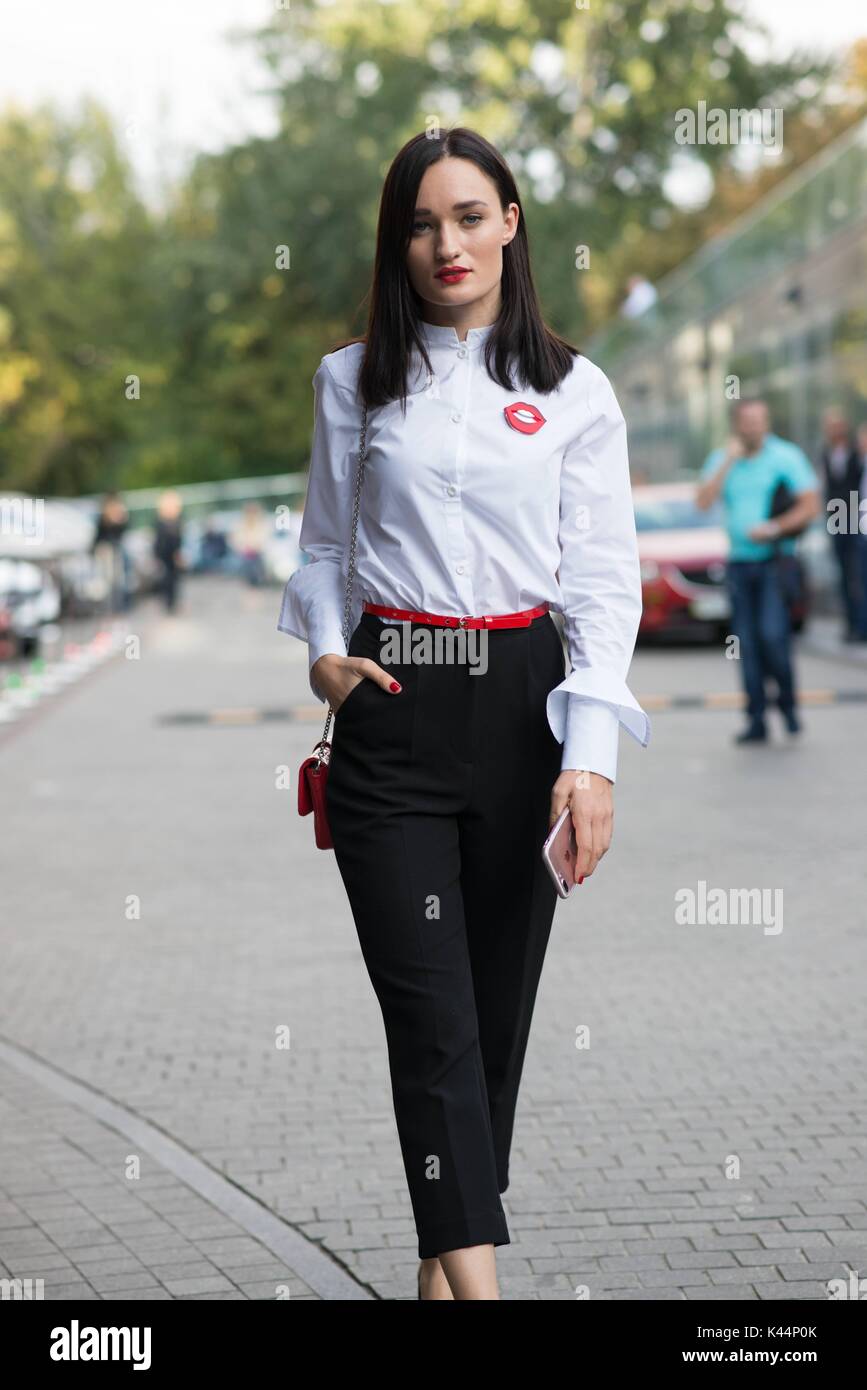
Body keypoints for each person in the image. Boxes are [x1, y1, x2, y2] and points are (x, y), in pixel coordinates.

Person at [277, 126, 650, 1300]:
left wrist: (591, 759)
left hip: (525, 707)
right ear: (399, 243)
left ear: (511, 223)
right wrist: (326, 658)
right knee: (431, 1023)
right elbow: (324, 547)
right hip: (392, 706)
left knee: (490, 1030)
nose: (449, 243)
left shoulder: (574, 389)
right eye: (423, 223)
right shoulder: (351, 380)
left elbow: (604, 587)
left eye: (471, 216)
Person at [696, 399, 820, 744]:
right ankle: (756, 718)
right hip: (739, 565)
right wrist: (728, 461)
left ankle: (788, 705)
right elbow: (702, 502)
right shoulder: (722, 458)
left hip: (775, 563)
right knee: (746, 643)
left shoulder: (786, 457)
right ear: (736, 425)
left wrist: (774, 528)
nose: (752, 427)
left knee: (773, 637)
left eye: (758, 420)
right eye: (746, 421)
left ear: (766, 423)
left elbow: (810, 506)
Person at [817, 407, 862, 641]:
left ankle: (861, 624)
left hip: (858, 521)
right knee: (844, 575)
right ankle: (852, 625)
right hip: (837, 521)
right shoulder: (825, 455)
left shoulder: (857, 452)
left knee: (859, 574)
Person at [91, 491, 130, 613]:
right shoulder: (103, 519)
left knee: (117, 581)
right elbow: (99, 538)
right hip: (105, 553)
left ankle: (118, 608)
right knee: (106, 582)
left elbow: (121, 535)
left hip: (115, 552)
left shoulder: (119, 518)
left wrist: (121, 520)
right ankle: (107, 610)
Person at [152, 491, 185, 612]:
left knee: (173, 579)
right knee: (167, 578)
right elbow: (160, 541)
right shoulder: (163, 522)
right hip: (165, 553)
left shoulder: (175, 521)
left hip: (171, 553)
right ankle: (169, 603)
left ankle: (172, 603)